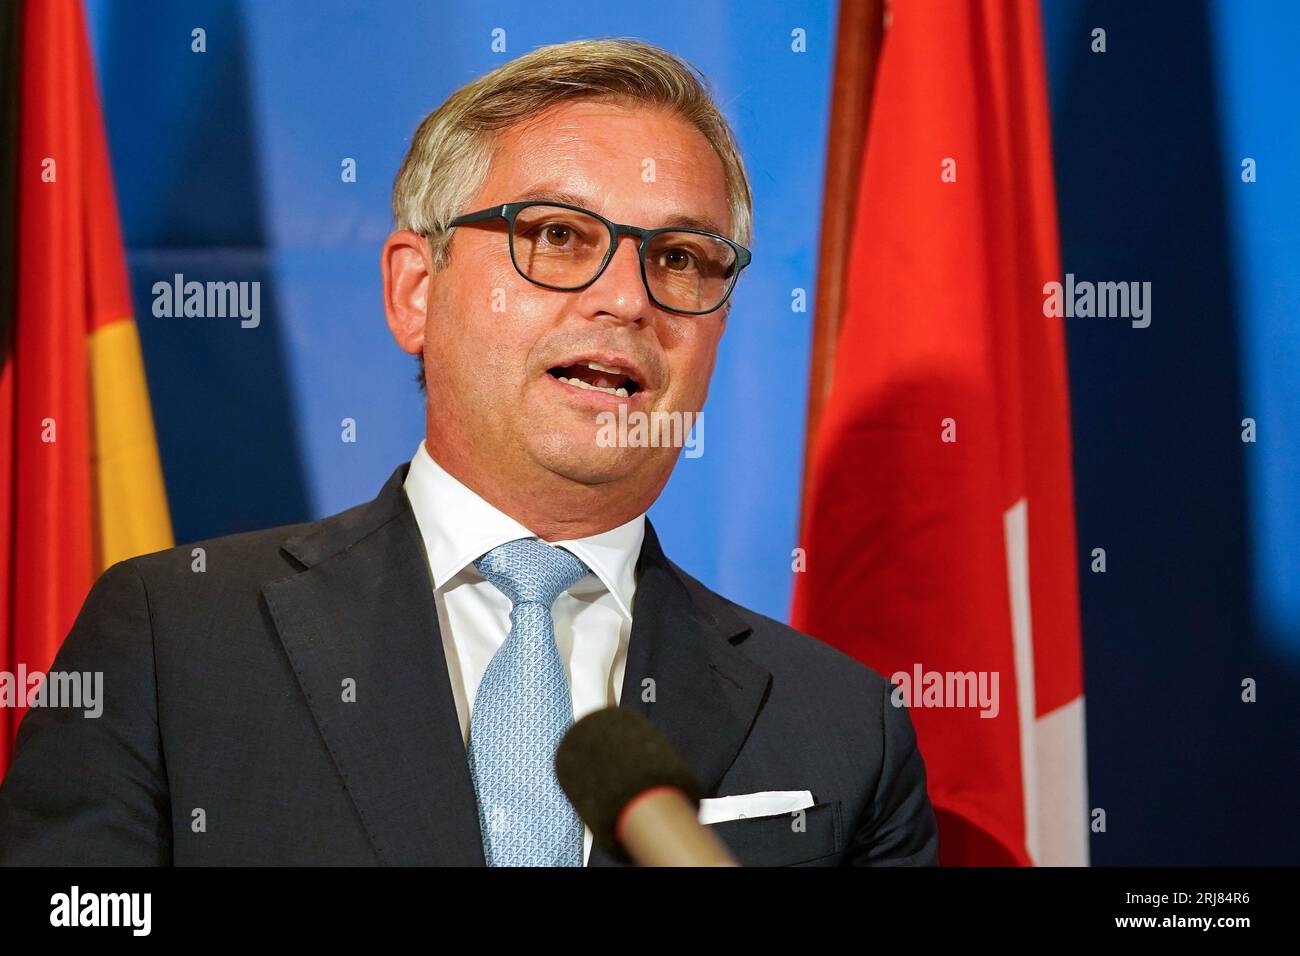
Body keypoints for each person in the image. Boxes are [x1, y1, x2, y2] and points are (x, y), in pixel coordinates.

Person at [0, 38, 938, 866]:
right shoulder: (175, 641)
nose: (627, 299)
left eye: (683, 257)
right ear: (416, 290)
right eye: (558, 237)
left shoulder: (842, 726)